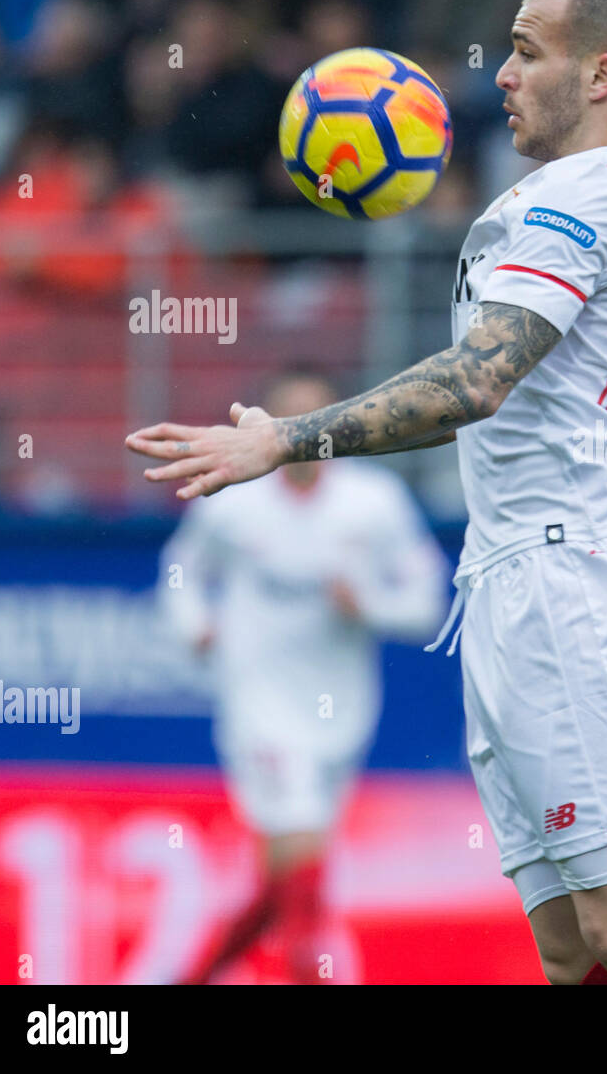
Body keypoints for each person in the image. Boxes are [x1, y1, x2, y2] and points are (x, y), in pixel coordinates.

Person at [128, 0, 607, 986]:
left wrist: (286, 440)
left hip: (570, 579)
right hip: (519, 574)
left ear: (600, 71)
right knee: (568, 946)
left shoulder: (589, 196)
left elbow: (478, 378)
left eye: (526, 49)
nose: (499, 75)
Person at [158, 367, 448, 984]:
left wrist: (368, 603)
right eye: (287, 418)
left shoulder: (375, 502)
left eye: (314, 418)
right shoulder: (233, 500)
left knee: (285, 879)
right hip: (258, 701)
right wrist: (194, 625)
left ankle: (195, 977)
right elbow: (182, 568)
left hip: (340, 708)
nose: (301, 434)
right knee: (302, 864)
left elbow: (427, 603)